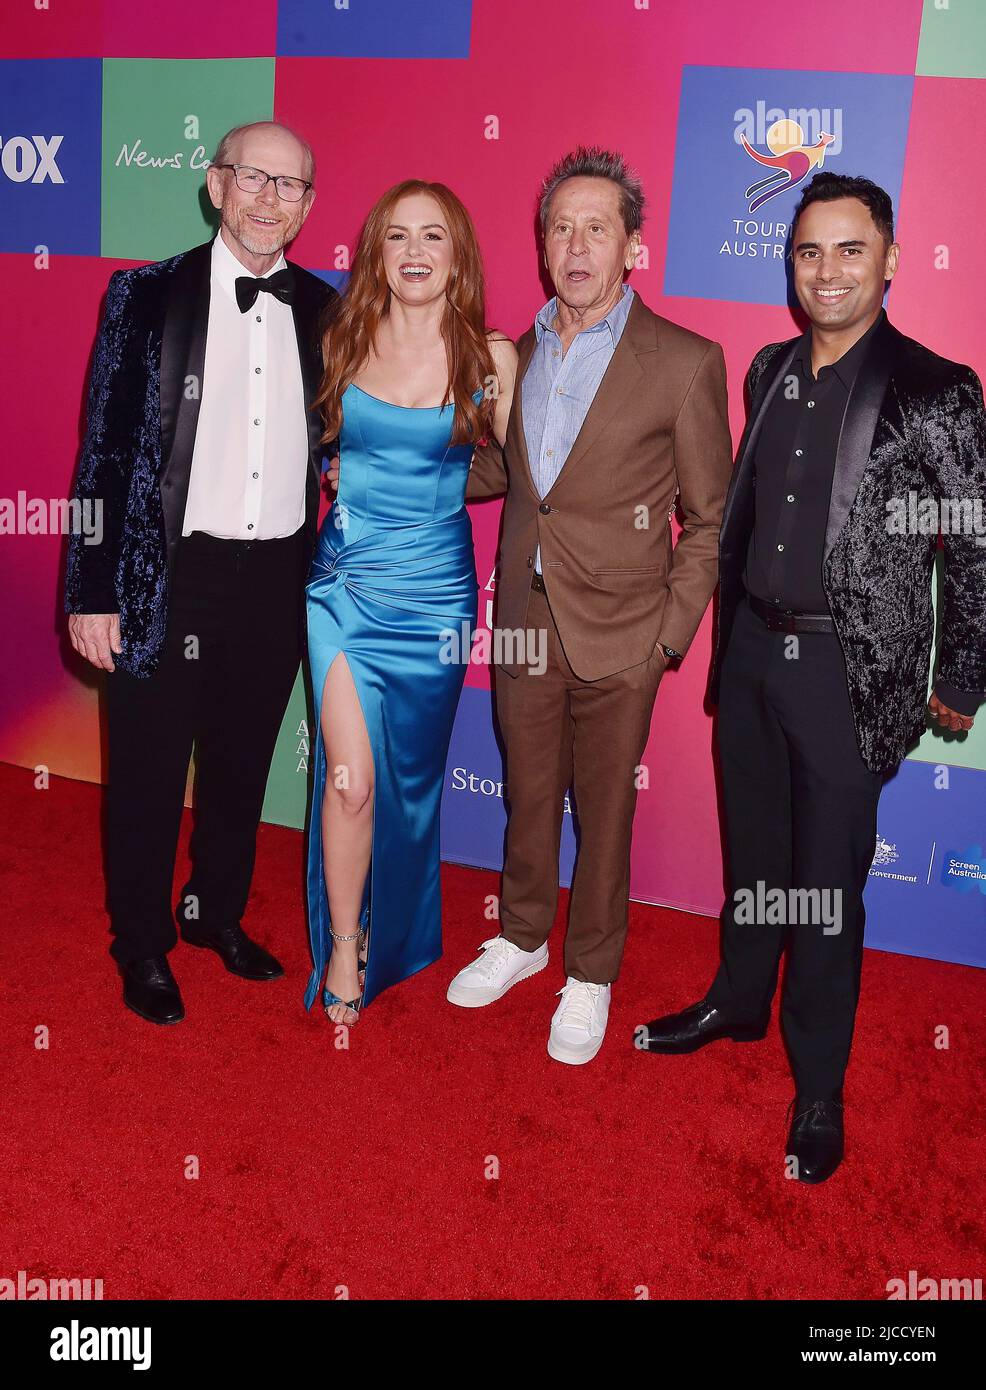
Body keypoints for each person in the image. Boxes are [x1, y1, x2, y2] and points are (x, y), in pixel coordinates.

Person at [641, 173, 986, 1183]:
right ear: (787, 266)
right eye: (806, 251)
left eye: (846, 250)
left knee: (823, 892)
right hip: (750, 650)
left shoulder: (934, 389)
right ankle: (738, 998)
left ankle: (819, 1088)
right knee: (753, 858)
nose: (824, 271)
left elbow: (966, 545)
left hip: (848, 669)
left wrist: (959, 670)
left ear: (886, 259)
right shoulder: (765, 370)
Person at [445, 147, 734, 1065]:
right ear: (543, 245)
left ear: (632, 247)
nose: (575, 245)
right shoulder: (514, 352)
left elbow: (710, 519)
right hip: (524, 624)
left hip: (623, 635)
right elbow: (506, 475)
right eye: (560, 227)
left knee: (603, 809)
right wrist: (406, 463)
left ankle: (590, 973)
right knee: (528, 795)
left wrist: (668, 637)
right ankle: (524, 938)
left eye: (596, 227)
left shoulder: (684, 362)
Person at [65, 121, 335, 1024]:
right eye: (252, 178)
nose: (268, 198)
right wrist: (92, 590)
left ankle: (213, 913)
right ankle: (139, 942)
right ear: (217, 186)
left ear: (307, 204)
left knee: (240, 763)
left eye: (289, 185)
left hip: (277, 576)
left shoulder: (330, 310)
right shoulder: (145, 295)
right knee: (145, 768)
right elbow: (100, 452)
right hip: (165, 570)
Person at [306, 180, 516, 1024]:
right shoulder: (339, 340)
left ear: (457, 252)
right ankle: (349, 945)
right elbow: (307, 446)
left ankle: (402, 925)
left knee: (410, 782)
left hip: (435, 596)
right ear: (377, 254)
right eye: (398, 236)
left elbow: (536, 479)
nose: (417, 252)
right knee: (351, 781)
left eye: (434, 236)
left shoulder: (489, 359)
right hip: (344, 586)